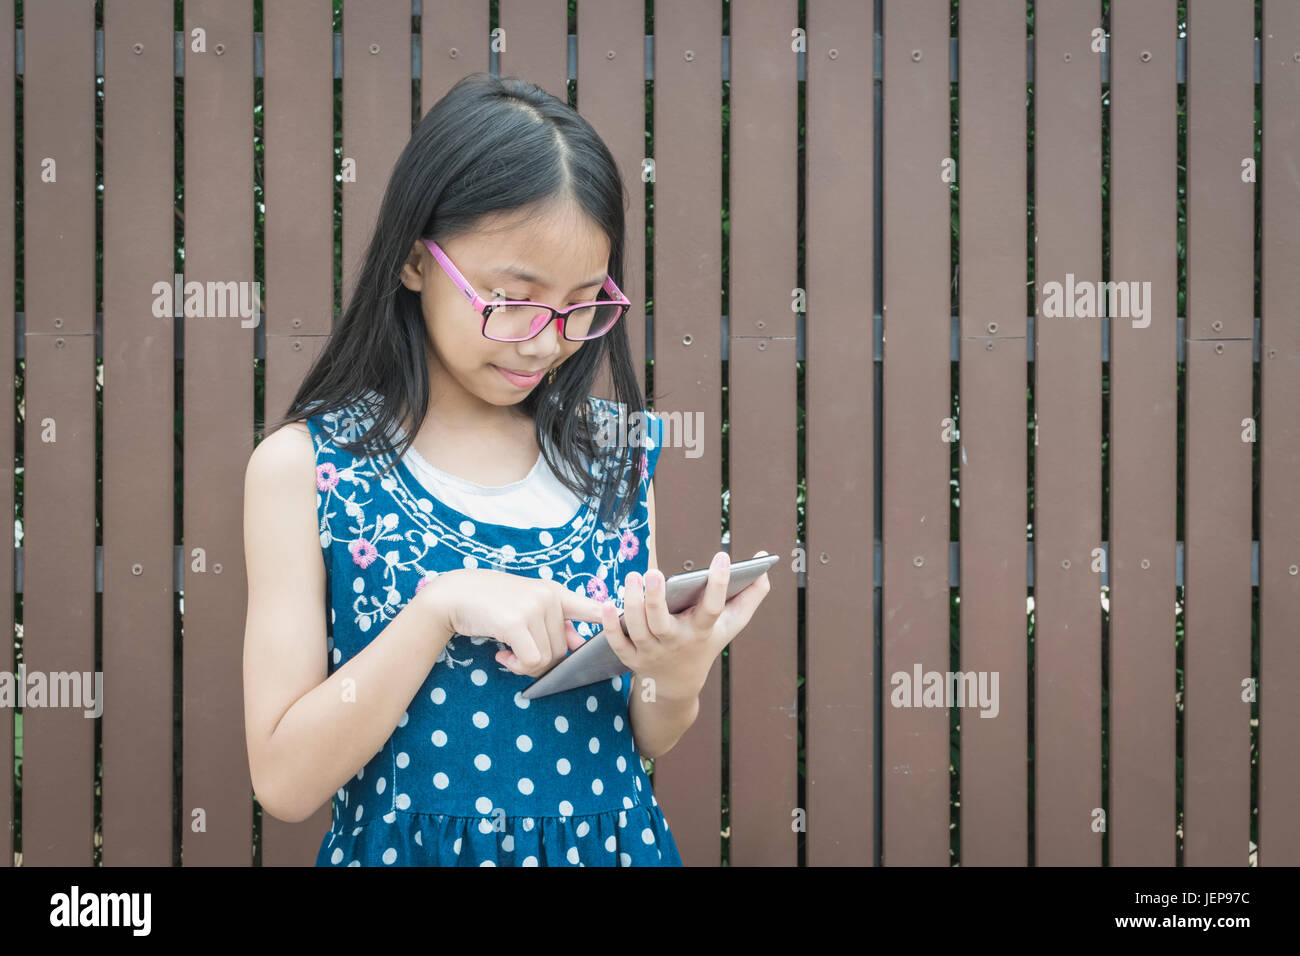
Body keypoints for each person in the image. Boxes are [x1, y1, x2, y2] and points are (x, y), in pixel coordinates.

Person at [241, 72, 772, 866]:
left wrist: (678, 669)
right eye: (511, 299)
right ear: (417, 263)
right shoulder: (309, 470)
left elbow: (644, 733)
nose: (545, 340)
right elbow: (283, 781)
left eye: (582, 304)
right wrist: (438, 610)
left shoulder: (611, 460)